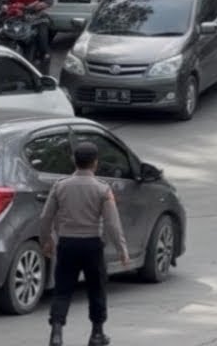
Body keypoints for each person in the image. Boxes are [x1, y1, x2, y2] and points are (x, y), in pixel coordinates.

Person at [40, 141, 130, 346]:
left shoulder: (60, 186)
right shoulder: (102, 189)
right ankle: (97, 334)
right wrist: (121, 248)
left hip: (67, 244)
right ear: (95, 163)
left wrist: (47, 240)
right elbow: (112, 223)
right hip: (92, 245)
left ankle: (56, 333)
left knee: (62, 289)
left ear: (74, 161)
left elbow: (45, 217)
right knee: (96, 289)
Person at [5, 0, 54, 66]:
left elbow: (49, 0)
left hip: (37, 19)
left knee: (42, 41)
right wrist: (5, 7)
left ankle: (45, 63)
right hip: (16, 19)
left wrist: (39, 5)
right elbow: (6, 1)